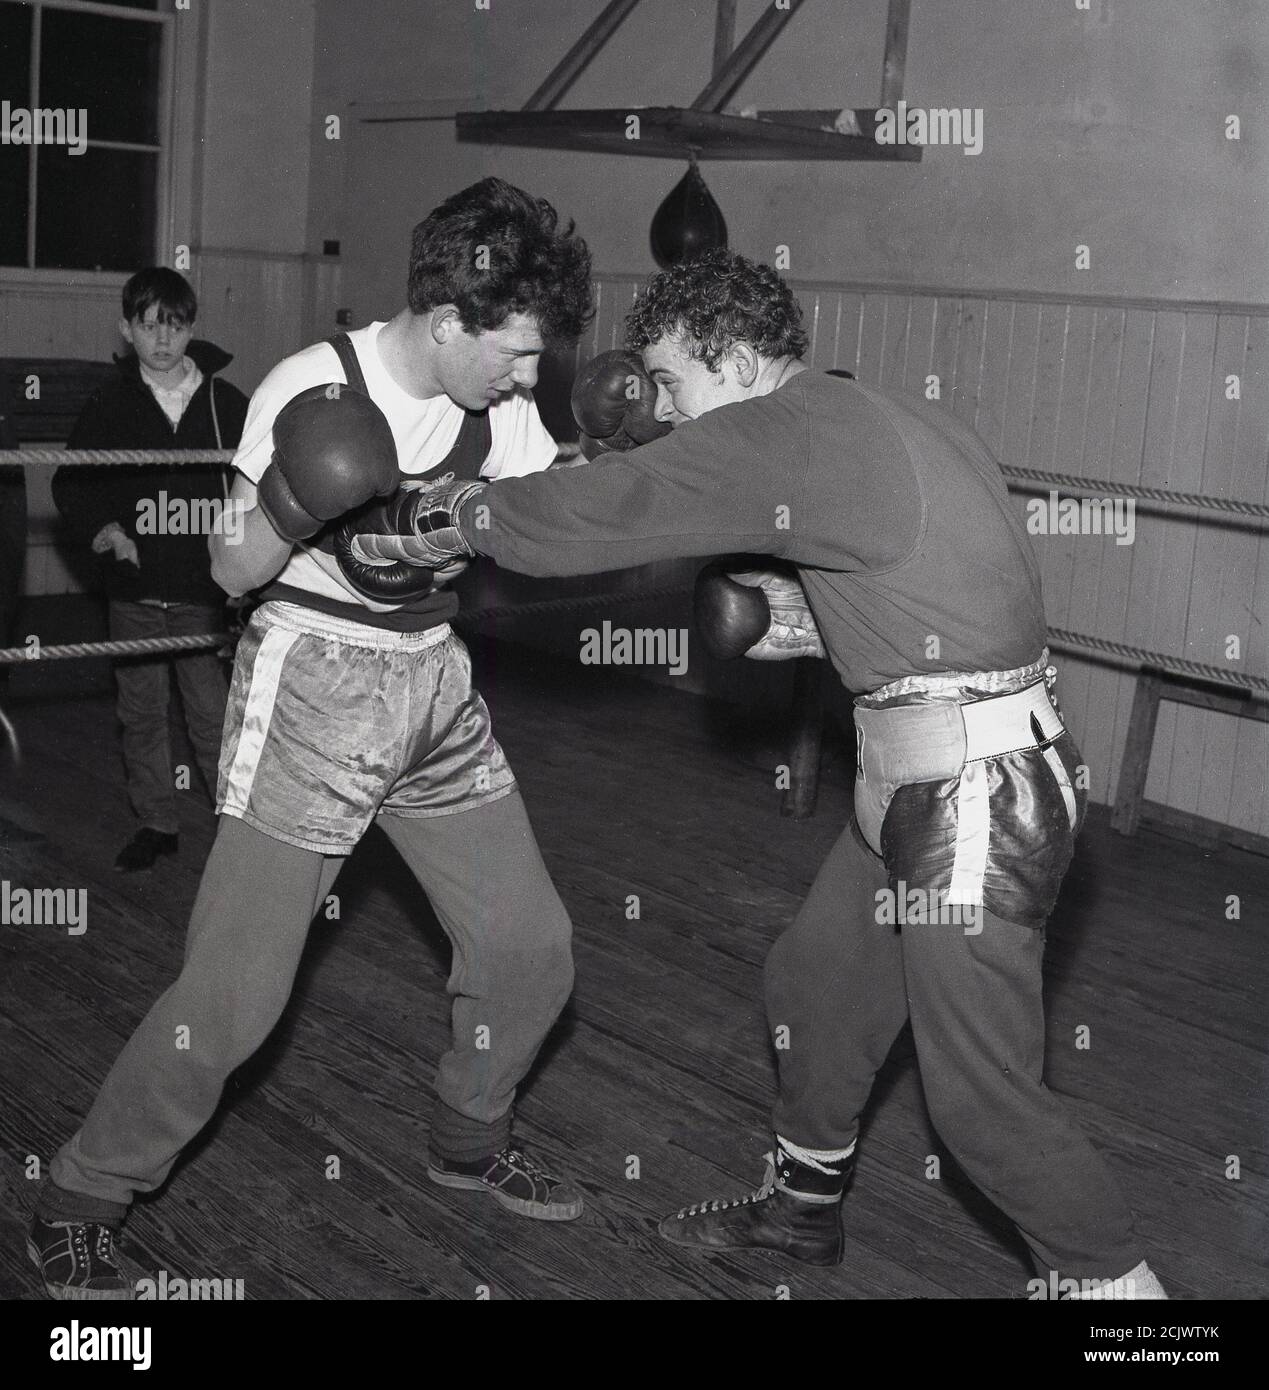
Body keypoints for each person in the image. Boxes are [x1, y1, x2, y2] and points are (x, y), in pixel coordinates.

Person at [357, 249, 1167, 1299]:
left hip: (971, 795)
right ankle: (800, 1216)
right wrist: (810, 618)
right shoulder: (863, 417)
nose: (671, 411)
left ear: (733, 360)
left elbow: (607, 512)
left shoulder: (783, 430)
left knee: (982, 1106)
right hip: (936, 773)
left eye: (676, 385)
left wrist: (451, 514)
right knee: (816, 983)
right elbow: (937, 582)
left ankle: (1130, 1301)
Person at [28, 178, 591, 1300]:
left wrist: (619, 466)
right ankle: (82, 1194)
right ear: (448, 323)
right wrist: (297, 499)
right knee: (236, 986)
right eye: (518, 353)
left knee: (532, 946)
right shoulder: (310, 384)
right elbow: (231, 571)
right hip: (314, 685)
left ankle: (468, 1140)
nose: (531, 377)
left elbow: (540, 523)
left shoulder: (505, 409)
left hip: (432, 682)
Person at [51, 269, 249, 872]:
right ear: (126, 329)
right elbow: (71, 482)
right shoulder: (108, 402)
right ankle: (156, 822)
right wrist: (106, 529)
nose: (163, 339)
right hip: (134, 590)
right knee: (139, 714)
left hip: (202, 589)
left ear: (191, 329)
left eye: (176, 325)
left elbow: (255, 483)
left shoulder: (225, 403)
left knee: (212, 717)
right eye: (149, 325)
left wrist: (244, 566)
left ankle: (237, 833)